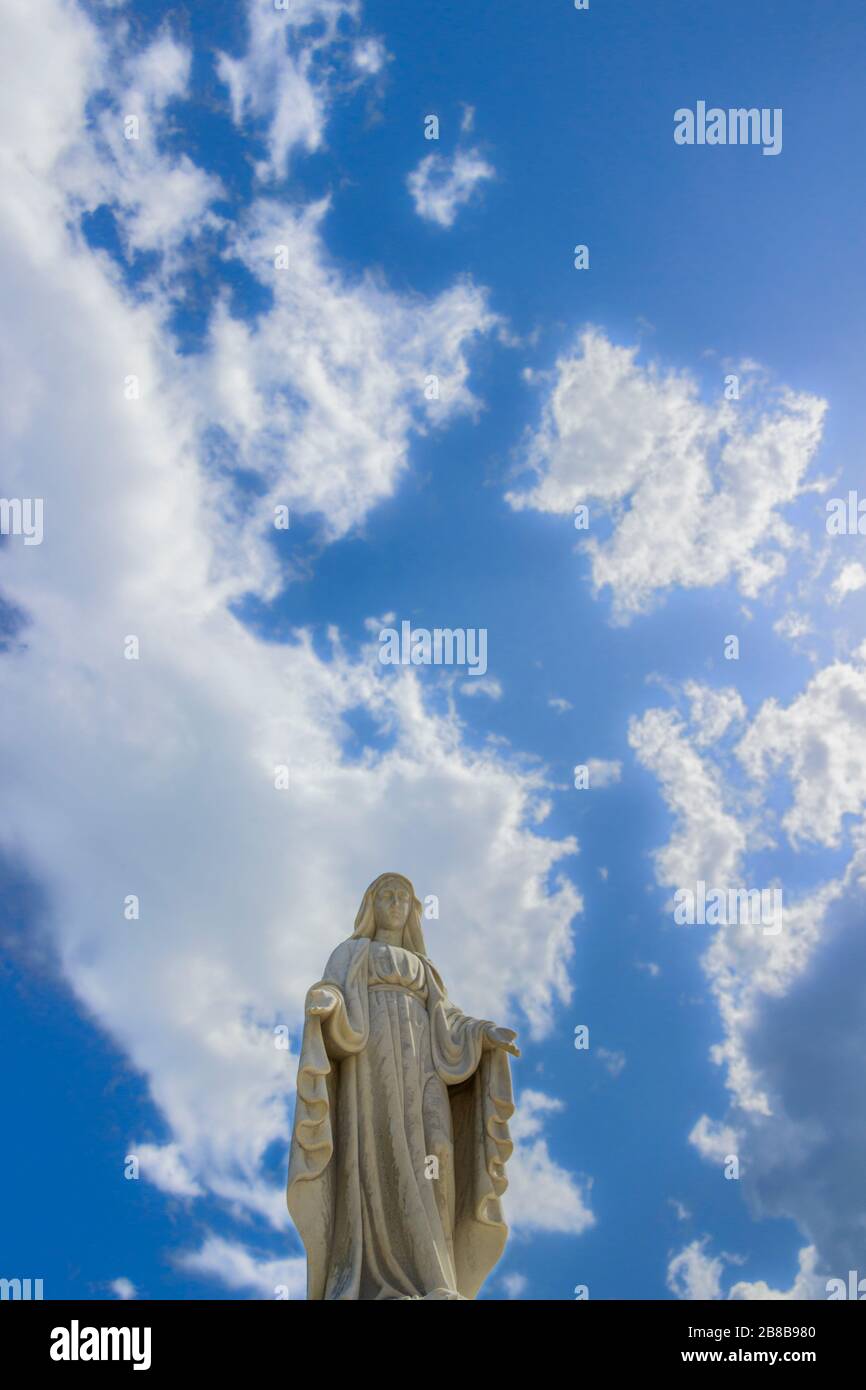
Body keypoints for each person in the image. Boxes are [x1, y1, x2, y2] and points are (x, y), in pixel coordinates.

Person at [287, 872, 519, 1300]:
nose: (395, 903)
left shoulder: (425, 969)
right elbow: (335, 993)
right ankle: (374, 1275)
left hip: (422, 1067)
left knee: (438, 1152)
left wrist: (484, 1034)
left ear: (413, 909)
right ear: (371, 906)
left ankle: (436, 1274)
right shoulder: (353, 951)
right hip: (370, 1069)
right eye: (386, 896)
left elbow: (449, 1021)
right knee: (378, 1152)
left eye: (403, 898)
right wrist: (325, 1002)